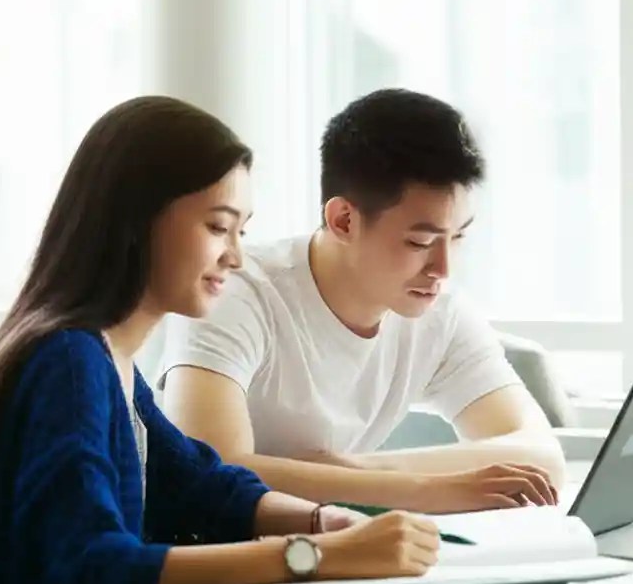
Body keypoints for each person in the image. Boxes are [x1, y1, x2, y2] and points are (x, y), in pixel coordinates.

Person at [0, 96, 440, 584]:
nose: (237, 258)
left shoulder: (107, 358)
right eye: (219, 227)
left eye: (242, 231)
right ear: (136, 218)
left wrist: (319, 520)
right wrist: (314, 555)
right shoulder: (68, 360)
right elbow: (95, 571)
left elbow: (199, 484)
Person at [159, 88, 566, 513]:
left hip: (336, 547)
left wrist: (356, 470)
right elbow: (209, 473)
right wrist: (429, 488)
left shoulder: (440, 311)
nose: (443, 268)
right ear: (344, 220)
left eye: (458, 236)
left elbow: (540, 457)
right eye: (420, 241)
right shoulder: (238, 289)